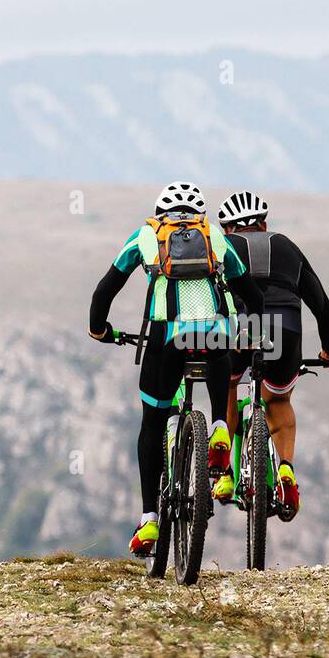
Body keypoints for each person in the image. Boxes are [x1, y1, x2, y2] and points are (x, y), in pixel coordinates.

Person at [89, 182, 264, 555]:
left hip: (165, 339)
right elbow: (252, 294)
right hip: (216, 337)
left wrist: (99, 329)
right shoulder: (215, 236)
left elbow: (104, 291)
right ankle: (219, 428)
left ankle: (150, 519)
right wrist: (251, 330)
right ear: (200, 213)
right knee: (218, 347)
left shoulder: (146, 235)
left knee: (152, 423)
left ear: (160, 211)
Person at [216, 191, 329, 514]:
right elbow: (325, 312)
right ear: (265, 224)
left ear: (227, 228)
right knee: (279, 399)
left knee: (228, 384)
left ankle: (225, 472)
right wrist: (328, 353)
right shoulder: (287, 246)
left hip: (240, 329)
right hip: (286, 332)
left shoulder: (222, 247)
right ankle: (285, 468)